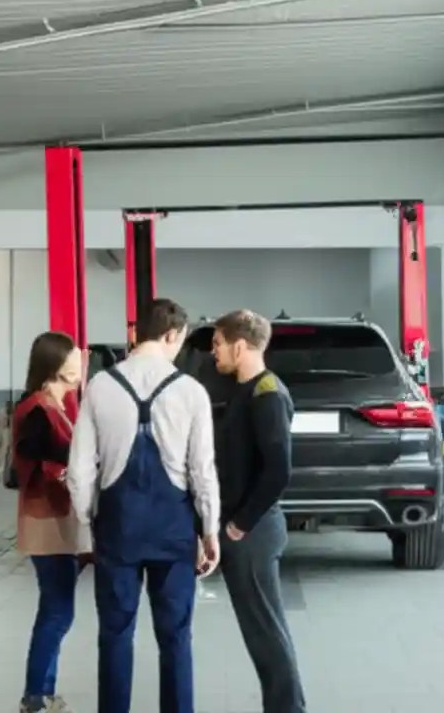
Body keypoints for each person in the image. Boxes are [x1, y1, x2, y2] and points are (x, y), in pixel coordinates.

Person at [66, 298, 222, 713]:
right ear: (173, 335)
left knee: (115, 634)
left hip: (117, 530)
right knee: (176, 638)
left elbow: (80, 470)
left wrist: (86, 525)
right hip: (173, 532)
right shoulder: (191, 392)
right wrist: (209, 529)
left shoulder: (100, 386)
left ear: (136, 334)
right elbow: (202, 469)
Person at [209, 309, 307, 713]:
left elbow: (278, 471)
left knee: (265, 632)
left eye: (217, 344)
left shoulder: (266, 394)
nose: (214, 353)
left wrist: (238, 525)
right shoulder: (243, 390)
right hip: (246, 528)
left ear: (239, 345)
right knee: (263, 631)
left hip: (253, 532)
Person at [11, 331, 91, 713]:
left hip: (61, 517)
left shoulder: (60, 404)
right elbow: (33, 453)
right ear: (55, 363)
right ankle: (35, 696)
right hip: (46, 520)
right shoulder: (37, 410)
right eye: (74, 358)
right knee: (58, 609)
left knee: (56, 607)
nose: (80, 364)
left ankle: (42, 691)